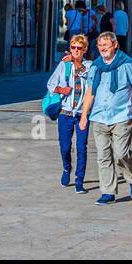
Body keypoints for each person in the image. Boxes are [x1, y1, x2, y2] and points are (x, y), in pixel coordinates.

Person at [79, 31, 132, 204]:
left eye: (105, 45)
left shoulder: (126, 64)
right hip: (99, 117)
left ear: (115, 45)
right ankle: (108, 192)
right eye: (100, 46)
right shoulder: (96, 66)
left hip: (122, 116)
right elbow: (90, 92)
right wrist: (84, 115)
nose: (102, 49)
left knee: (121, 153)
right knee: (103, 155)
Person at [46, 33, 92, 193]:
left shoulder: (90, 66)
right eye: (73, 47)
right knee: (65, 147)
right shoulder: (64, 65)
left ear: (85, 49)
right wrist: (61, 89)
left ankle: (80, 181)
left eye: (79, 48)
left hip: (82, 114)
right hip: (65, 113)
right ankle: (67, 168)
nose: (76, 50)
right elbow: (50, 84)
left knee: (82, 147)